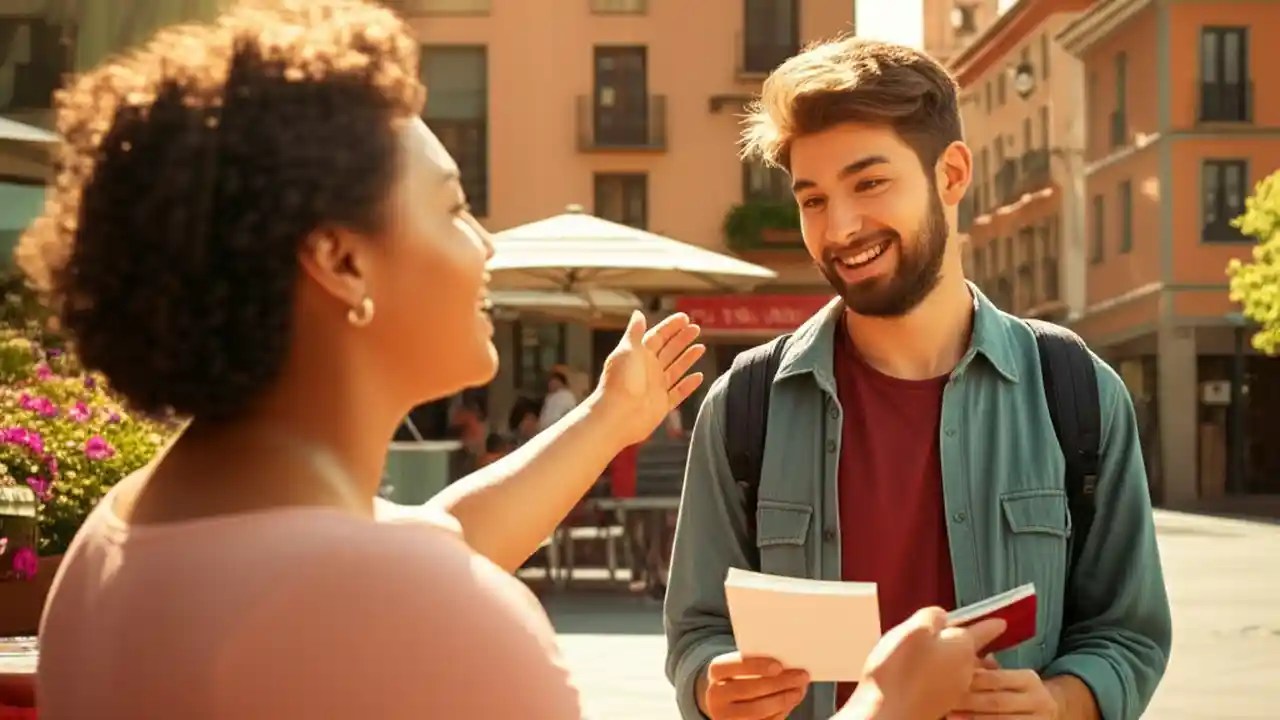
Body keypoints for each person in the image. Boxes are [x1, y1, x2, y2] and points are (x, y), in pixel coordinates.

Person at [19, 4, 1067, 718]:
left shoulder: (121, 545)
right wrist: (890, 703)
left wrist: (608, 420)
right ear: (340, 261)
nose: (481, 244)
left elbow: (425, 541)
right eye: (452, 207)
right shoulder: (438, 620)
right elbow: (413, 577)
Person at [664, 36, 1172, 720]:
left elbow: (1127, 632)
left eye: (869, 183)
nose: (840, 227)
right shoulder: (742, 408)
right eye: (812, 199)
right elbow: (696, 634)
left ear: (952, 174)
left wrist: (1059, 703)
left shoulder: (1075, 391)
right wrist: (712, 683)